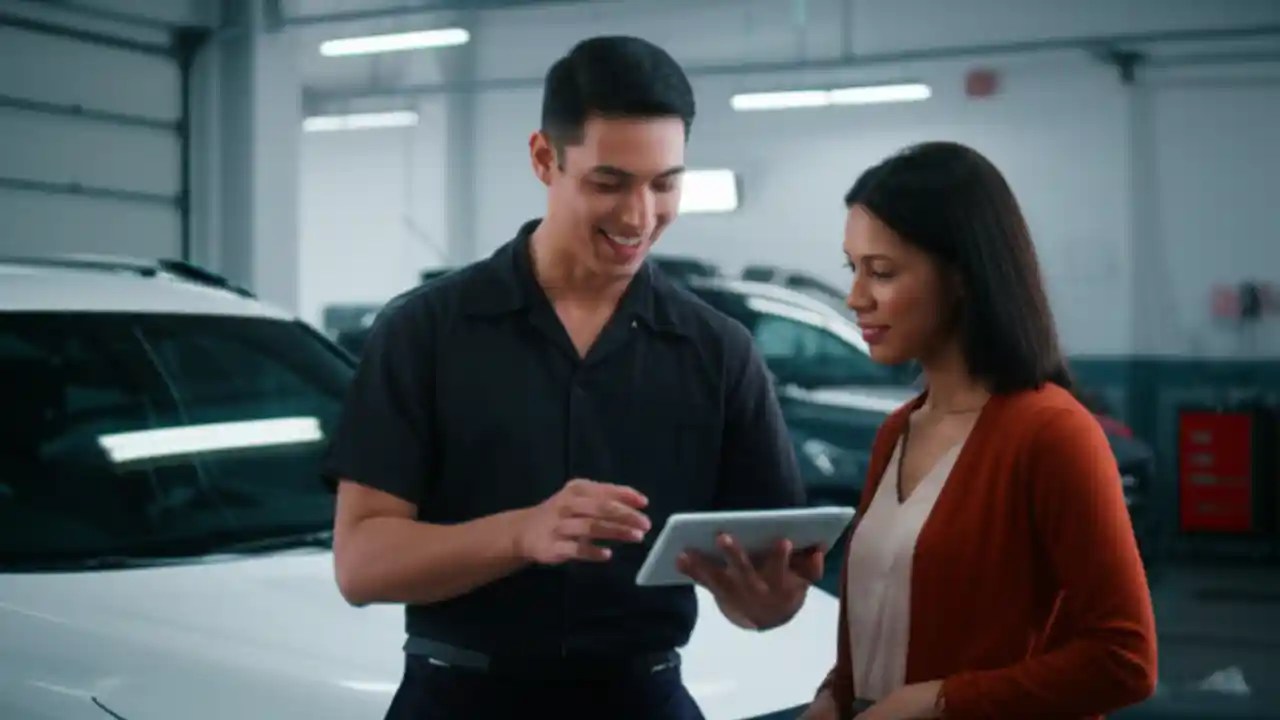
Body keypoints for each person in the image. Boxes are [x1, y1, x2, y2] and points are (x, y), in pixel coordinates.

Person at [322, 35, 823, 720]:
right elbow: (360, 565)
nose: (639, 216)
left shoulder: (719, 352)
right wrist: (522, 533)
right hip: (461, 700)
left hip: (642, 700)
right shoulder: (424, 331)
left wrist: (767, 601)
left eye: (664, 184)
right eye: (609, 183)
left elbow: (766, 602)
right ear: (543, 159)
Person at [800, 142, 1158, 720]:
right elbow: (879, 618)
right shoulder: (896, 431)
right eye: (853, 268)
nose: (855, 297)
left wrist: (942, 700)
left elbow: (1125, 659)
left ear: (964, 275)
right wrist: (834, 696)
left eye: (882, 272)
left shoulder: (1051, 432)